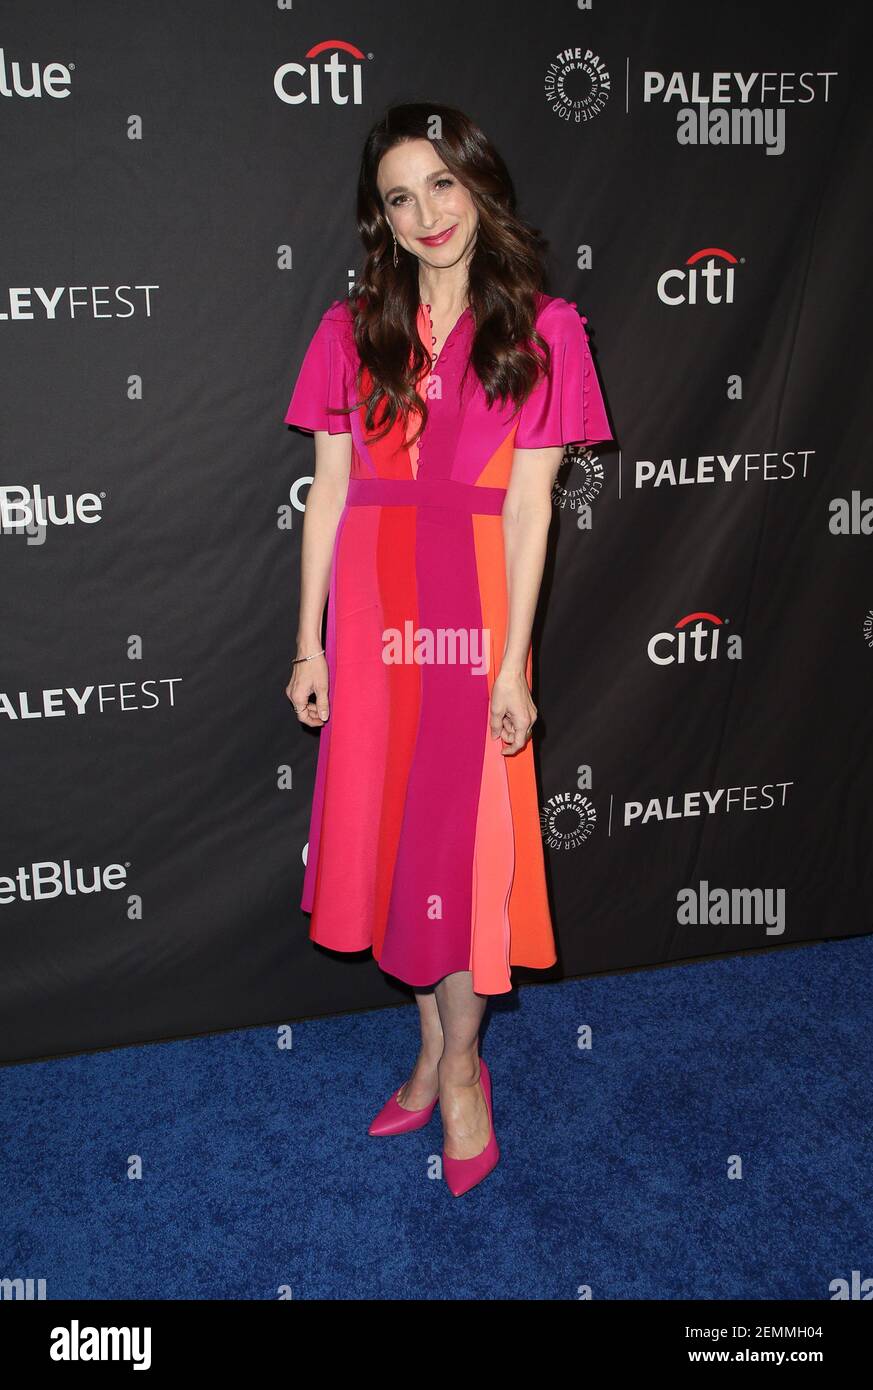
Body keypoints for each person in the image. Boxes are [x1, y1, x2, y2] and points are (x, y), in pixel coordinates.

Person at [283, 102, 612, 1195]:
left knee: (457, 857)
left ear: (480, 185)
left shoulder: (543, 330)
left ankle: (461, 1068)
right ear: (378, 218)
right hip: (375, 624)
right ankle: (429, 1042)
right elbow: (326, 497)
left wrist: (514, 664)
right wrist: (309, 646)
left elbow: (532, 510)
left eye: (442, 184)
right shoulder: (350, 332)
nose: (425, 213)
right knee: (391, 845)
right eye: (398, 196)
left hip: (469, 621)